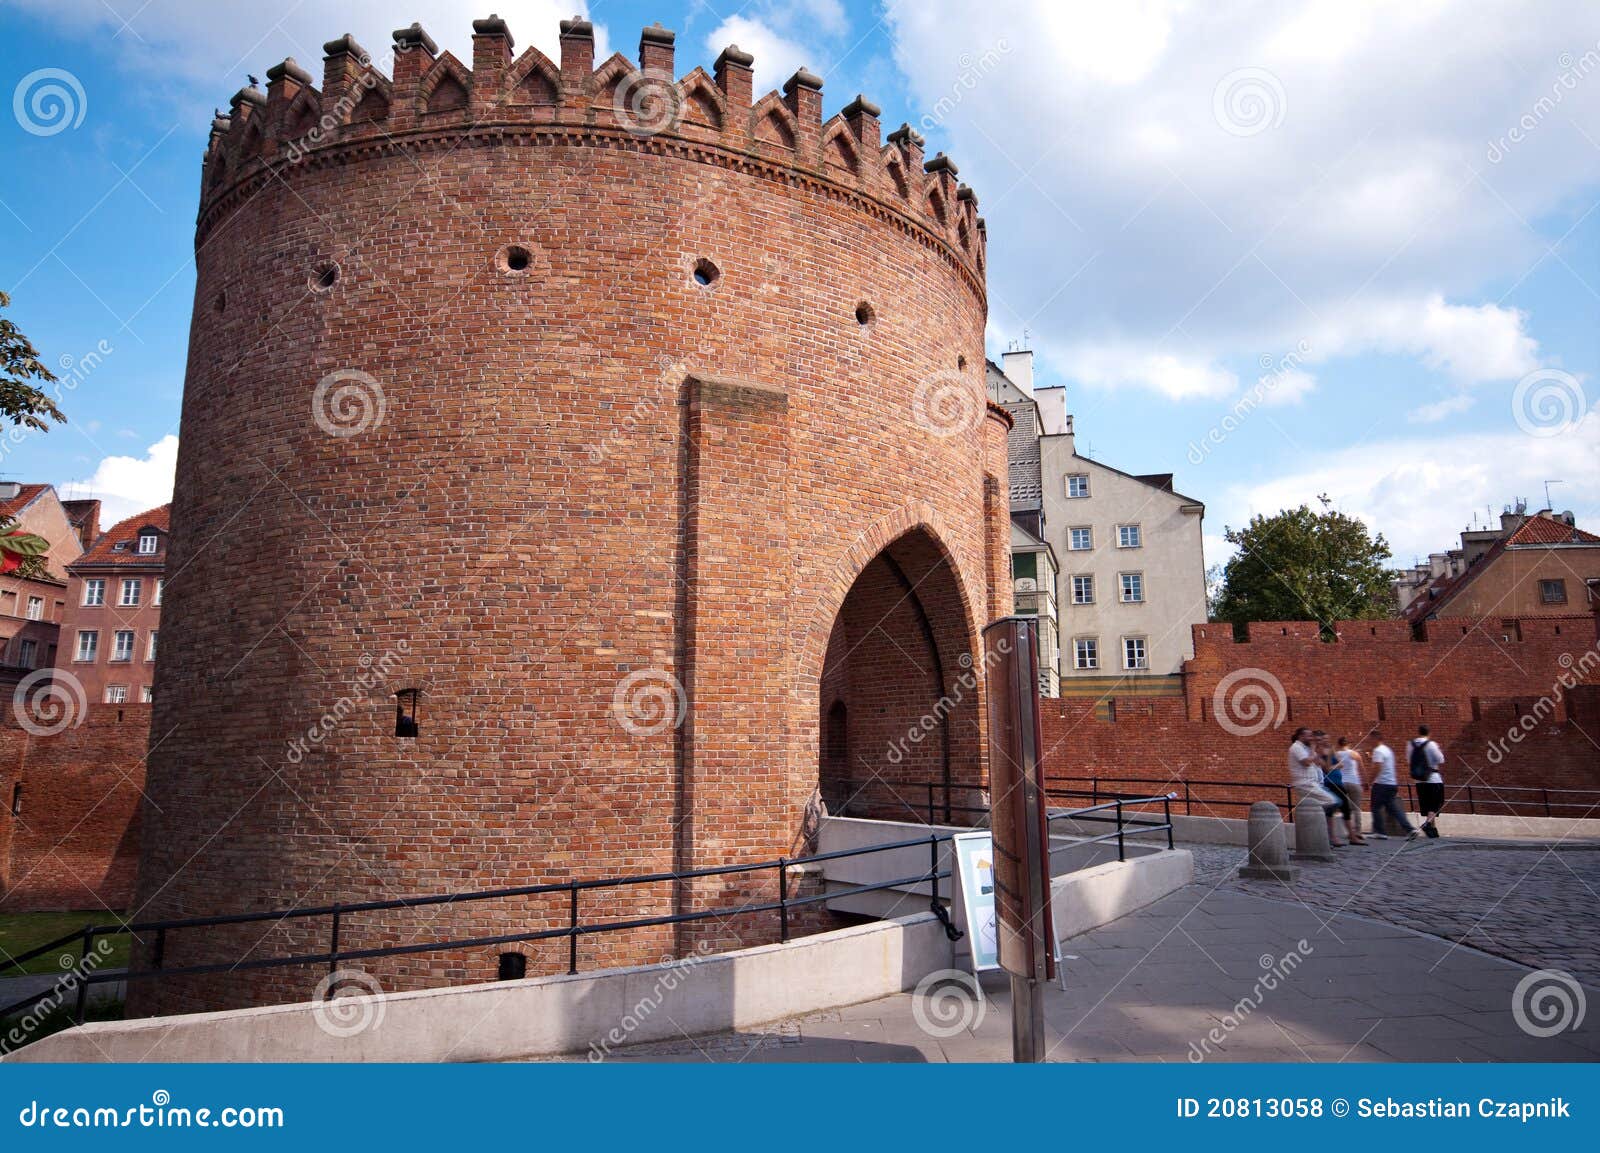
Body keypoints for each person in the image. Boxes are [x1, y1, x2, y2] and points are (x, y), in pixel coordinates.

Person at [1287, 727, 1347, 846]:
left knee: (1329, 804)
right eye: (1309, 736)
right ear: (1301, 736)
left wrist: (1326, 753)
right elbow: (1306, 762)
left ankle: (1320, 838)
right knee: (1333, 801)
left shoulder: (1307, 748)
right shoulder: (1296, 747)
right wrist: (1314, 749)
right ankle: (1317, 832)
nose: (1311, 738)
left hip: (1316, 783)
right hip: (1305, 784)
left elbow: (1324, 766)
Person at [1368, 737, 1414, 838]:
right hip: (1392, 784)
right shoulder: (1388, 750)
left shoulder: (1378, 750)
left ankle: (1380, 832)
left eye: (1370, 740)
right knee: (1393, 809)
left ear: (1375, 739)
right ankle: (1410, 829)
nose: (1369, 742)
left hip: (1381, 784)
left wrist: (1369, 782)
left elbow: (1377, 767)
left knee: (1375, 807)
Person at [1408, 725, 1447, 838]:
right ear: (1429, 733)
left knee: (1427, 805)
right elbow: (1441, 759)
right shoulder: (1431, 744)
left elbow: (1409, 759)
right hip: (1433, 778)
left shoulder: (1411, 744)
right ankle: (1428, 824)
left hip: (1419, 780)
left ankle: (1433, 830)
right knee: (1436, 804)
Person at [1332, 737, 1368, 845]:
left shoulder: (1336, 754)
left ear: (1338, 744)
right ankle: (1357, 832)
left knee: (1342, 808)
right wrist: (1366, 782)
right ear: (1349, 744)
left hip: (1341, 782)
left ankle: (1345, 831)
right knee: (1356, 808)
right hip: (1354, 782)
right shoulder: (1354, 754)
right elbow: (1362, 769)